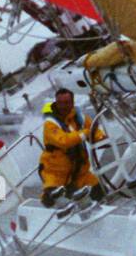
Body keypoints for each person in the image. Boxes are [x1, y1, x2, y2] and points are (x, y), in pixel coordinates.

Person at [38, 88, 105, 218]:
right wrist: (84, 133)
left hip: (80, 173)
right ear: (56, 103)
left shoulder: (79, 118)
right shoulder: (50, 124)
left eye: (67, 102)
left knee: (100, 194)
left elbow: (94, 130)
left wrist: (101, 138)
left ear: (72, 102)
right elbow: (64, 141)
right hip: (55, 175)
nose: (63, 106)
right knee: (54, 203)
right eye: (60, 103)